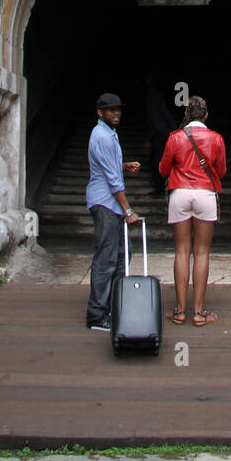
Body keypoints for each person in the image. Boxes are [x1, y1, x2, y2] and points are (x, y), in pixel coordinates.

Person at [159, 95, 226, 327]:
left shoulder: (175, 138)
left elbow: (163, 168)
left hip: (180, 193)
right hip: (205, 194)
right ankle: (199, 312)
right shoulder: (216, 138)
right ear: (206, 115)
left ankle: (179, 311)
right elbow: (221, 170)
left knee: (181, 251)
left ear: (186, 114)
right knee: (202, 252)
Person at [85, 92, 140, 331]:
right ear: (100, 112)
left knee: (121, 256)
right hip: (106, 203)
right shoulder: (103, 137)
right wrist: (128, 210)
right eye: (110, 110)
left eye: (118, 110)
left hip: (110, 204)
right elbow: (112, 180)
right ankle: (97, 315)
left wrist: (123, 165)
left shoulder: (108, 135)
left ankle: (113, 306)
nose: (116, 114)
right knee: (107, 259)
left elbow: (108, 167)